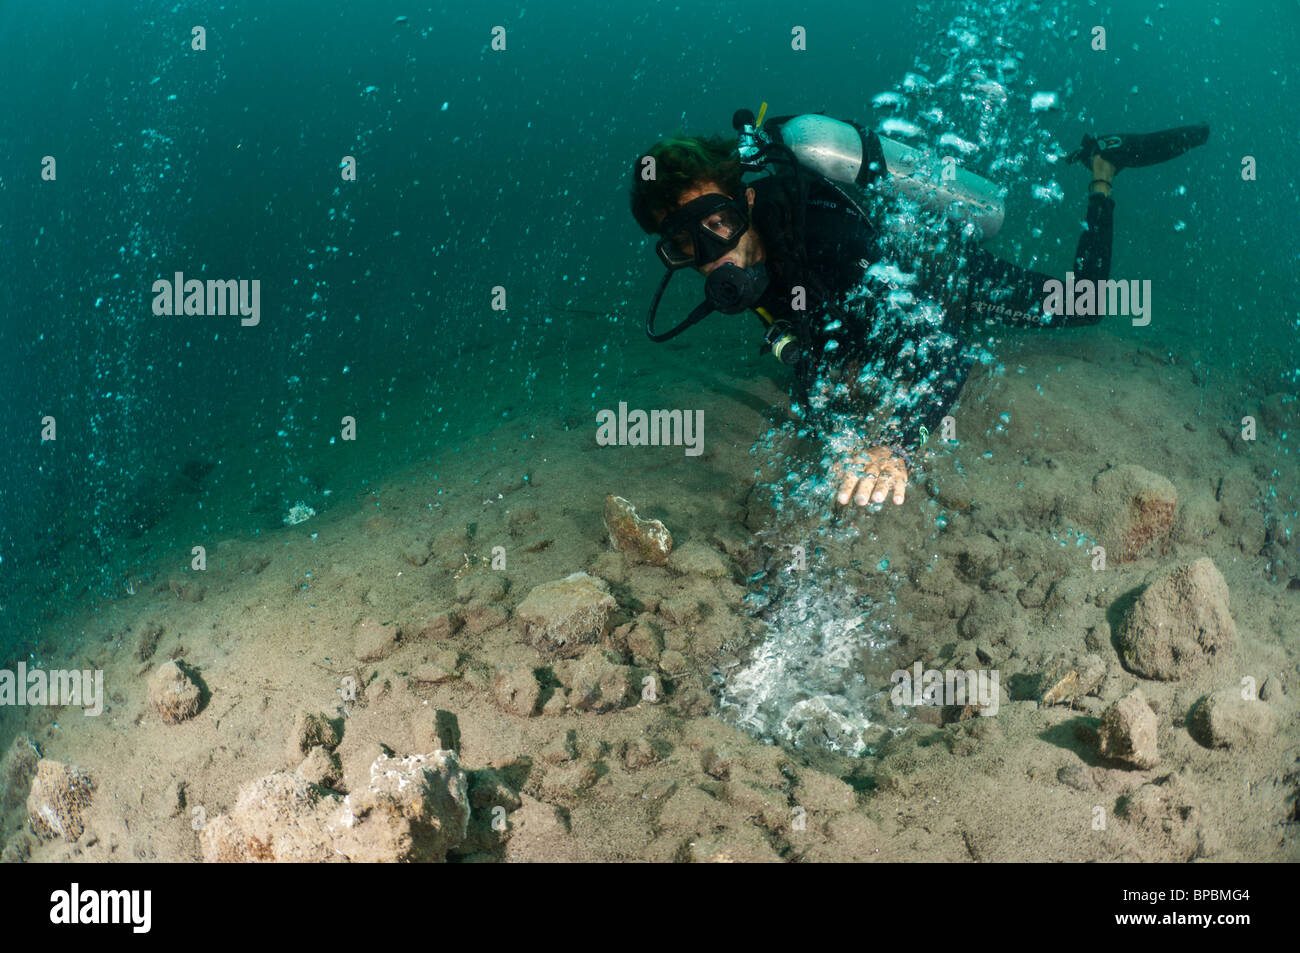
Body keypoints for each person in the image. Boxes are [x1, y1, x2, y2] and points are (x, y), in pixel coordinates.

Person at [629, 112, 1208, 509]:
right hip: (873, 302)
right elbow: (804, 347)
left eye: (717, 226)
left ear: (745, 200)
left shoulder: (829, 239)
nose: (711, 256)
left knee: (1087, 301)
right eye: (683, 246)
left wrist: (899, 443)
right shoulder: (759, 268)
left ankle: (1104, 169)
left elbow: (947, 349)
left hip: (940, 270)